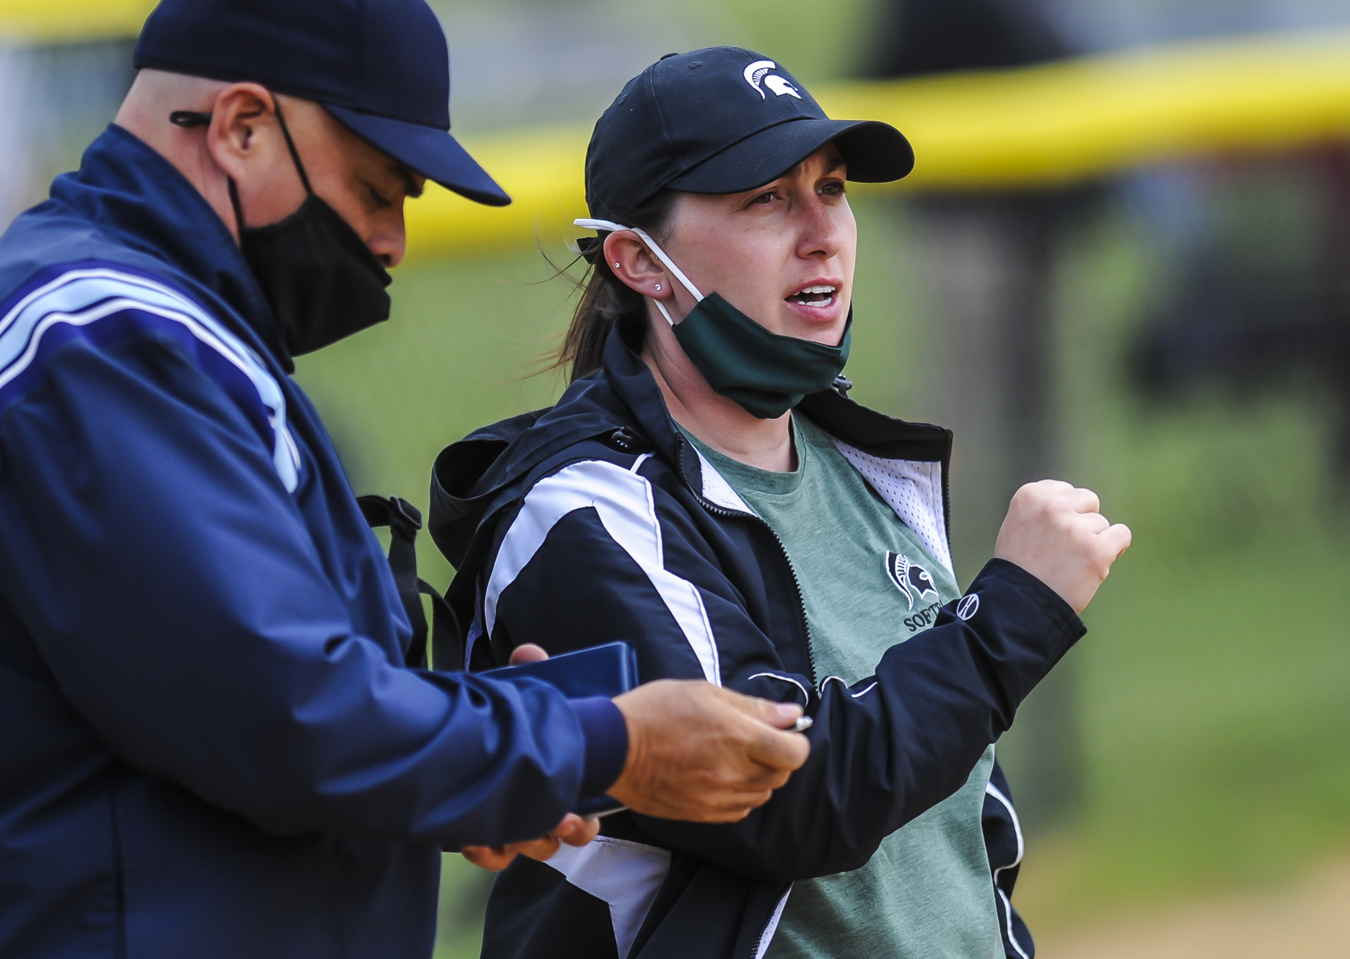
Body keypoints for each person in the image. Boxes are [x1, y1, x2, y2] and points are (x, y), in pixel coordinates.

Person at [0, 6, 813, 958]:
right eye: (378, 188)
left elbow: (257, 698)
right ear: (241, 126)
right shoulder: (100, 340)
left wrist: (508, 743)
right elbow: (283, 716)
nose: (391, 241)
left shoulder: (166, 330)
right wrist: (600, 745)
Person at [429, 48, 1130, 959]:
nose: (821, 231)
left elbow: (942, 848)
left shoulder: (868, 469)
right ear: (639, 261)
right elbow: (785, 801)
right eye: (764, 198)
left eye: (831, 188)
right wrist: (1011, 619)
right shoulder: (579, 515)